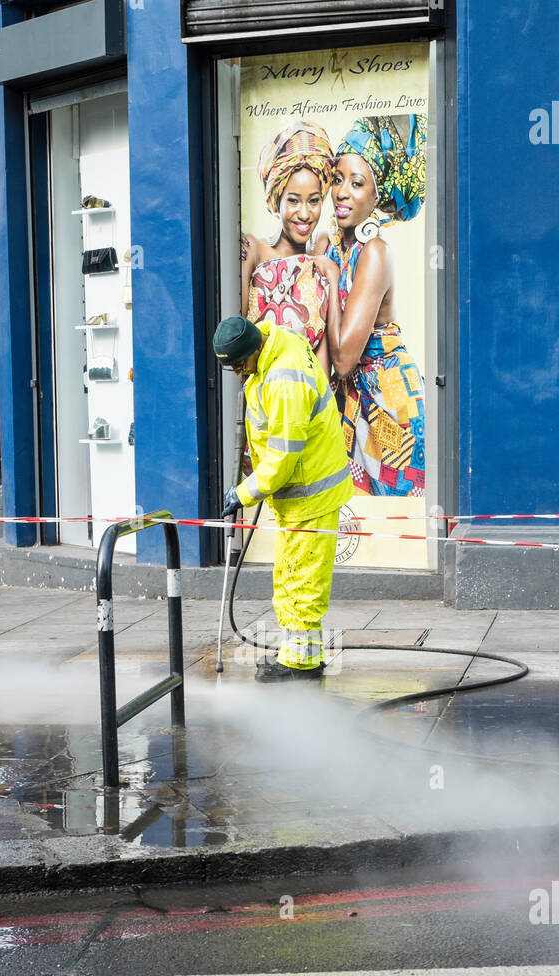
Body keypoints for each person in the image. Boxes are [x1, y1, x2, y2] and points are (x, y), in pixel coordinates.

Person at [213, 315, 353, 682]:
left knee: (302, 582)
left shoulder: (284, 381)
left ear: (253, 351)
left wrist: (242, 493)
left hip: (311, 493)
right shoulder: (276, 338)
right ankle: (299, 654)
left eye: (239, 367)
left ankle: (302, 666)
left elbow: (281, 460)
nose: (238, 375)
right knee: (289, 576)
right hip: (298, 496)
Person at [313, 114, 427, 498]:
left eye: (357, 183)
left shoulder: (374, 253)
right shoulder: (331, 247)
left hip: (388, 402)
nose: (342, 192)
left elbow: (344, 359)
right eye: (337, 178)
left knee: (393, 527)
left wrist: (326, 275)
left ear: (378, 198)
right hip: (349, 400)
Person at [242, 120, 335, 373]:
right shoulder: (253, 249)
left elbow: (326, 363)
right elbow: (234, 339)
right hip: (262, 404)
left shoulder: (324, 258)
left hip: (310, 406)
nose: (304, 213)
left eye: (314, 201)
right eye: (293, 200)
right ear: (276, 200)